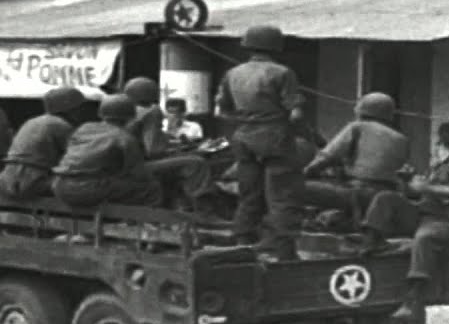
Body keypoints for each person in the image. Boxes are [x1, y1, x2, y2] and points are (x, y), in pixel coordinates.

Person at [353, 121, 449, 324]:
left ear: (441, 143)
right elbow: (421, 194)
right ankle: (371, 241)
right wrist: (408, 181)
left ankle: (414, 300)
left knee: (424, 238)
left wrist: (426, 188)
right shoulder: (440, 165)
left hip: (447, 220)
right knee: (386, 198)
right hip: (425, 213)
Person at [216, 24, 307, 261]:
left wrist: (246, 119)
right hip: (275, 137)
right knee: (282, 195)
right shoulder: (282, 73)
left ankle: (242, 244)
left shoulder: (232, 73)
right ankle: (285, 252)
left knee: (249, 193)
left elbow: (221, 111)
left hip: (243, 138)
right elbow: (295, 114)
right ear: (276, 46)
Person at [300, 92, 409, 219]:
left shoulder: (357, 127)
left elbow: (328, 156)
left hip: (357, 193)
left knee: (291, 186)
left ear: (363, 108)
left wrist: (305, 172)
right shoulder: (402, 139)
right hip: (386, 197)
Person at [124, 77, 220, 217]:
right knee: (196, 163)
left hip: (126, 164)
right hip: (140, 166)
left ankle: (179, 205)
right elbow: (153, 149)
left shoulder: (123, 110)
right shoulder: (151, 112)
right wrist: (177, 149)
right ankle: (205, 213)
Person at [51, 94, 163, 208]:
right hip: (86, 188)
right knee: (151, 189)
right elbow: (139, 174)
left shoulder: (84, 128)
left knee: (111, 183)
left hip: (60, 185)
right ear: (130, 117)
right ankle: (136, 219)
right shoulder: (124, 137)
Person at [0, 86, 89, 201]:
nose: (82, 112)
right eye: (80, 108)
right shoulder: (60, 125)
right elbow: (79, 160)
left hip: (6, 181)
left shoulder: (32, 121)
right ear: (71, 109)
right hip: (31, 181)